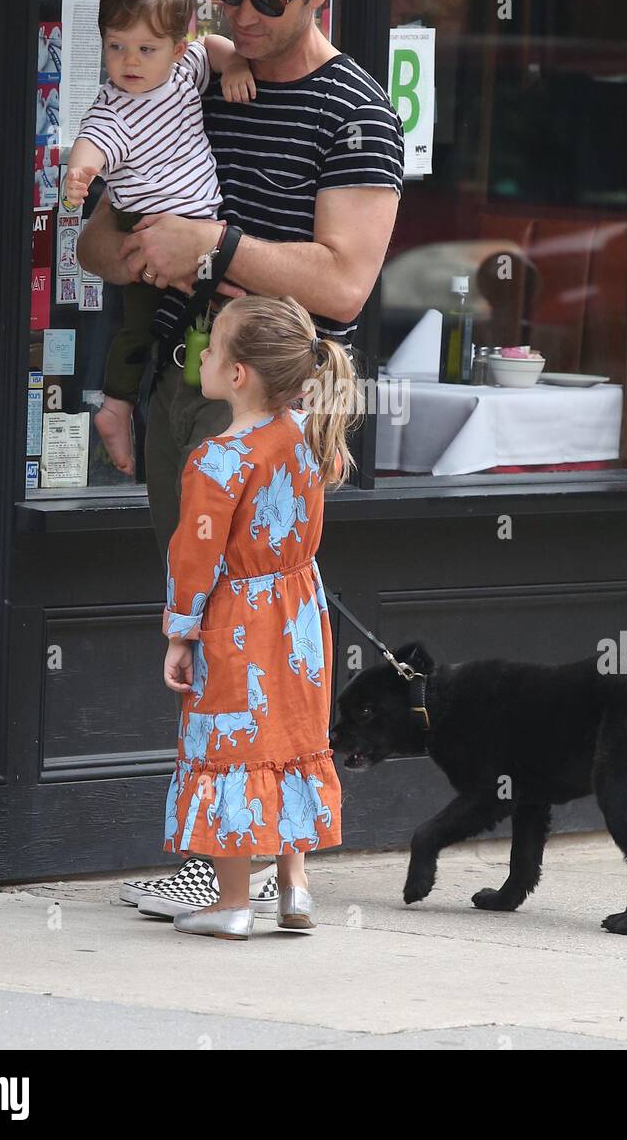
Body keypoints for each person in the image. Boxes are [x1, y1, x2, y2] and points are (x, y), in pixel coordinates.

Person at [76, 0, 404, 918]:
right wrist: (130, 261)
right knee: (206, 626)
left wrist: (211, 246)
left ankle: (237, 860)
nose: (238, 16)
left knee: (247, 639)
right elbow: (99, 235)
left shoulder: (355, 110)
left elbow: (345, 280)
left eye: (265, 0)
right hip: (183, 379)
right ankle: (252, 859)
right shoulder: (199, 74)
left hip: (278, 408)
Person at [159, 293, 360, 940]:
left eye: (213, 347)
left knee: (236, 745)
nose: (204, 356)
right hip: (301, 615)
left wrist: (180, 633)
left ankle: (233, 902)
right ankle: (295, 889)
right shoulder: (310, 436)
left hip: (239, 620)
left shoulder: (216, 461)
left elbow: (194, 559)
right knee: (292, 740)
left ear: (238, 375)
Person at [64, 0, 255, 476]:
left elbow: (211, 48)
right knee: (142, 326)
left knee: (203, 315)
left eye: (146, 49)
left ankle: (192, 398)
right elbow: (93, 142)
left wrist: (235, 62)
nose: (129, 62)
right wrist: (81, 172)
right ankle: (116, 406)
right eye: (116, 46)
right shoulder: (114, 108)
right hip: (146, 230)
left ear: (174, 47)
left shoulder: (184, 71)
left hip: (200, 228)